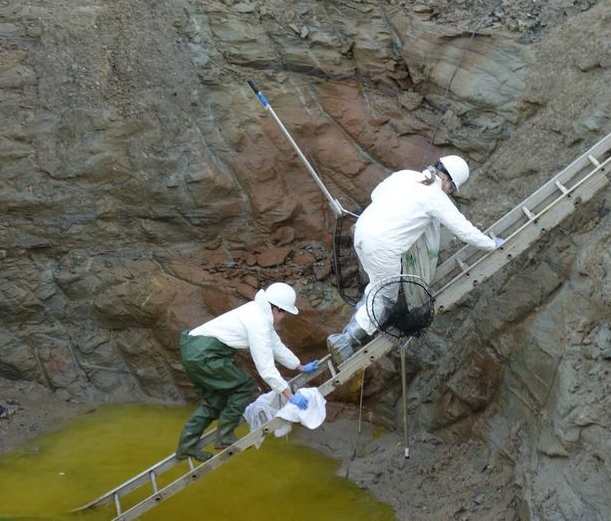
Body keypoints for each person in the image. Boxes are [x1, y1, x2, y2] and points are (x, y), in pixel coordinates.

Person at [326, 155, 504, 364]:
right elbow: (464, 230)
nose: (449, 192)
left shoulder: (406, 175)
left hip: (362, 233)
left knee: (376, 286)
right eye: (451, 188)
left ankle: (351, 330)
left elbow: (376, 194)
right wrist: (491, 244)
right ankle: (346, 340)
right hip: (384, 247)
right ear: (447, 180)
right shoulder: (435, 197)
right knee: (385, 298)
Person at [175, 282, 319, 461]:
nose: (284, 317)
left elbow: (275, 345)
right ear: (276, 310)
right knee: (244, 386)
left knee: (214, 402)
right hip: (205, 356)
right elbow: (266, 368)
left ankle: (186, 447)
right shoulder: (258, 322)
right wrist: (289, 395)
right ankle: (225, 437)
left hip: (195, 352)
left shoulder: (258, 312)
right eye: (285, 313)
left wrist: (299, 366)